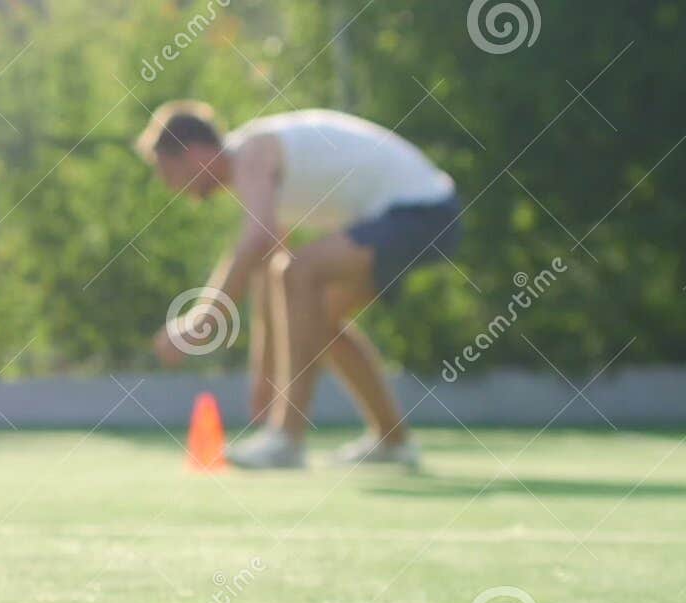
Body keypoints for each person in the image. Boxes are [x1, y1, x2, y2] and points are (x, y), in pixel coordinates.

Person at [138, 101, 461, 469]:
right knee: (315, 318)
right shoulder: (258, 178)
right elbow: (269, 275)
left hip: (424, 211)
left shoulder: (253, 152)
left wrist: (202, 320)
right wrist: (264, 372)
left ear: (193, 153)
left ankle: (287, 439)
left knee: (298, 272)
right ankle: (393, 441)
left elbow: (259, 242)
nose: (175, 188)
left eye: (170, 173)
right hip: (416, 218)